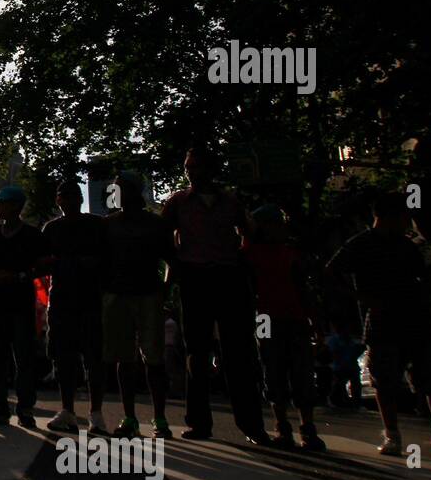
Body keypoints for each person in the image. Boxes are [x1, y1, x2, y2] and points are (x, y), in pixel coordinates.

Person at [326, 192, 431, 462]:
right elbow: (330, 272)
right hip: (383, 318)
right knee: (384, 381)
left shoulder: (406, 245)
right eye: (404, 216)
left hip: (415, 316)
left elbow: (424, 276)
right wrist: (360, 298)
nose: (407, 222)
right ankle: (392, 435)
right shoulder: (361, 244)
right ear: (389, 216)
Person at [161, 146, 270, 444]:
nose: (191, 172)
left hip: (229, 278)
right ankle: (198, 422)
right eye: (187, 166)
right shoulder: (178, 202)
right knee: (197, 353)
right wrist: (177, 265)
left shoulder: (231, 202)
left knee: (239, 352)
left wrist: (241, 260)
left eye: (196, 166)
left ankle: (252, 424)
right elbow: (162, 237)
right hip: (195, 279)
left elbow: (251, 233)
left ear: (210, 169)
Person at [244, 204, 325, 450]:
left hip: (293, 318)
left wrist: (314, 321)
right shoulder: (248, 254)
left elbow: (304, 290)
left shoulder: (290, 253)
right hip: (266, 318)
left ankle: (306, 427)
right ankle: (283, 427)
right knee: (273, 370)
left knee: (300, 372)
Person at [101, 172, 175, 438]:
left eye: (120, 188)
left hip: (147, 295)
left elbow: (171, 259)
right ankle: (130, 416)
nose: (116, 192)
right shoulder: (108, 225)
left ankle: (160, 417)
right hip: (118, 295)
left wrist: (164, 290)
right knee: (124, 358)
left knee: (154, 358)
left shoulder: (154, 224)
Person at [41, 179, 108, 434]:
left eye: (72, 196)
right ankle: (69, 410)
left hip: (89, 299)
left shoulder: (96, 226)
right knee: (63, 358)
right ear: (58, 200)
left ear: (80, 199)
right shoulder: (51, 229)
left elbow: (106, 259)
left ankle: (96, 413)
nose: (67, 201)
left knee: (94, 357)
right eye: (63, 196)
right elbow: (42, 263)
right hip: (61, 299)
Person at [0, 185, 44, 425]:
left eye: (2, 203)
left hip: (21, 302)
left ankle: (25, 407)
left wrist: (19, 276)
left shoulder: (31, 236)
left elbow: (41, 265)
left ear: (16, 206)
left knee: (24, 356)